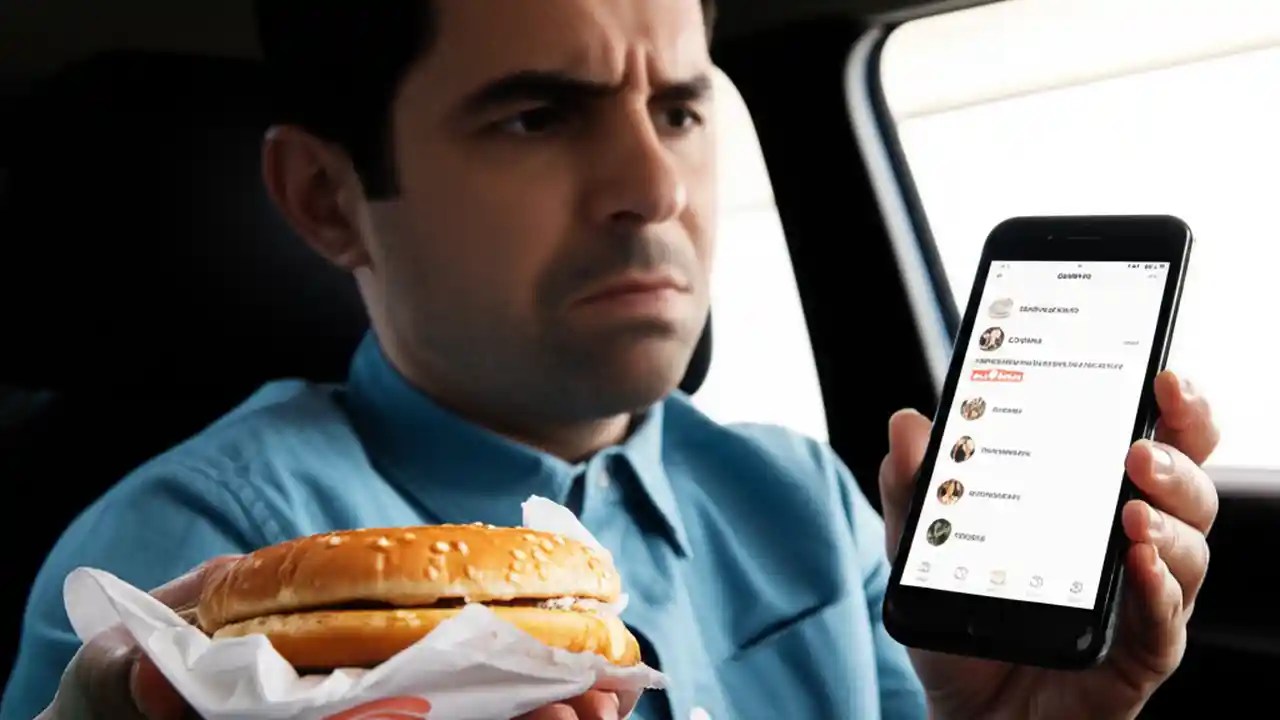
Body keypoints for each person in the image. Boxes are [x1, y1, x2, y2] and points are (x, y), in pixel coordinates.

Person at [3, 1, 1220, 718]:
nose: (654, 190)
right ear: (326, 198)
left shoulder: (803, 498)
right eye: (536, 116)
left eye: (681, 112)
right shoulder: (178, 569)